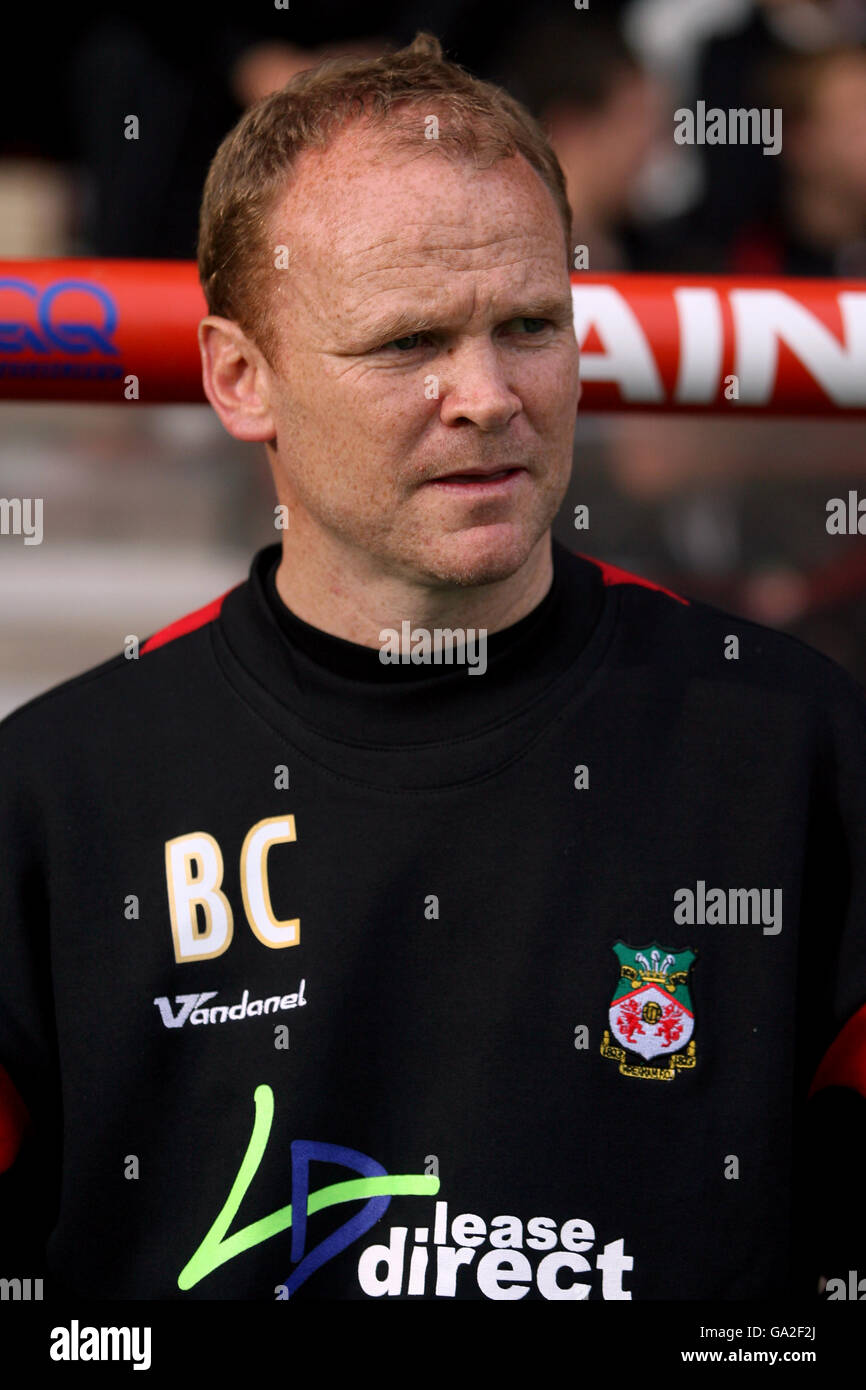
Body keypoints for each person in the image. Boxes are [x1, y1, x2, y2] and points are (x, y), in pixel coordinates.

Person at [0, 31, 863, 1303]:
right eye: (408, 343)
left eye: (529, 325)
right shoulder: (58, 796)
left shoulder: (796, 750)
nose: (488, 394)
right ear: (241, 377)